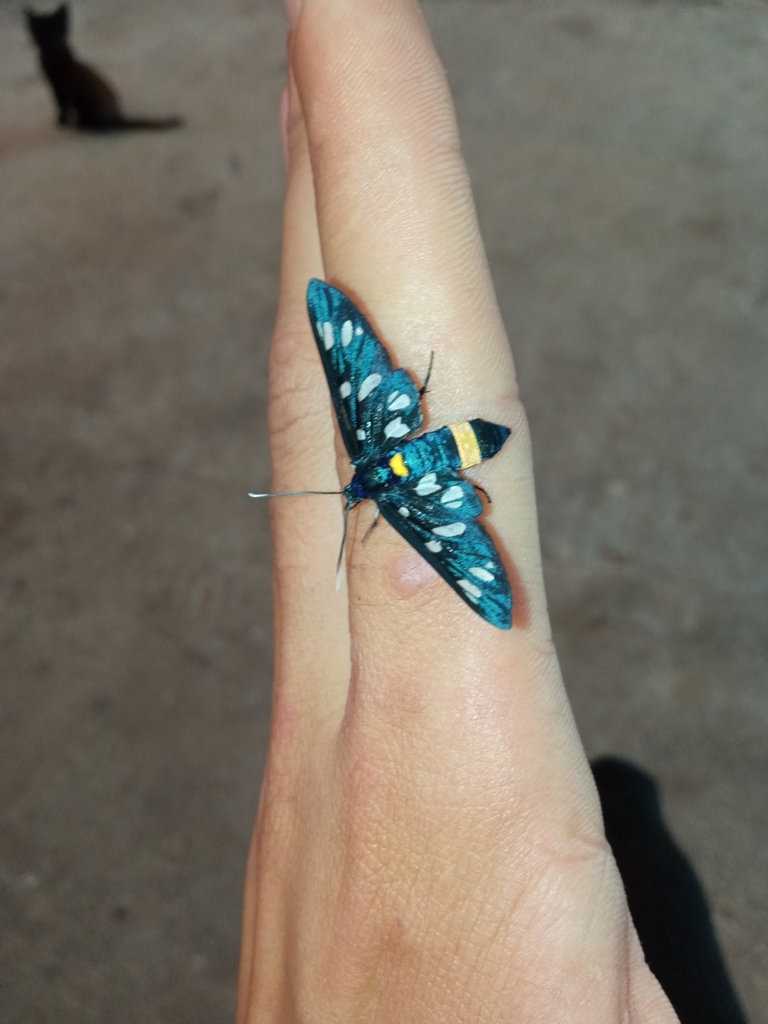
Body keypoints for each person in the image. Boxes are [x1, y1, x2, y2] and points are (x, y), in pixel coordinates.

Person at [236, 0, 681, 1019]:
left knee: (437, 532)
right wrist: (392, 440)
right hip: (425, 437)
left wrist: (396, 498)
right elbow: (360, 358)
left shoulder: (391, 515)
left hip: (432, 472)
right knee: (381, 424)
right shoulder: (373, 464)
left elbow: (343, 350)